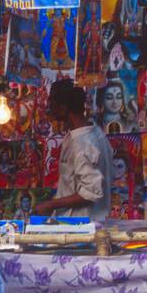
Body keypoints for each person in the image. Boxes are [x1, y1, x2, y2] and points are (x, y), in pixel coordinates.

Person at [33, 80, 112, 221]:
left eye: (52, 104)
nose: (49, 109)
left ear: (63, 108)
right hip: (86, 223)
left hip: (80, 226)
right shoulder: (96, 134)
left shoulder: (83, 143)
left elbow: (90, 192)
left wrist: (51, 204)